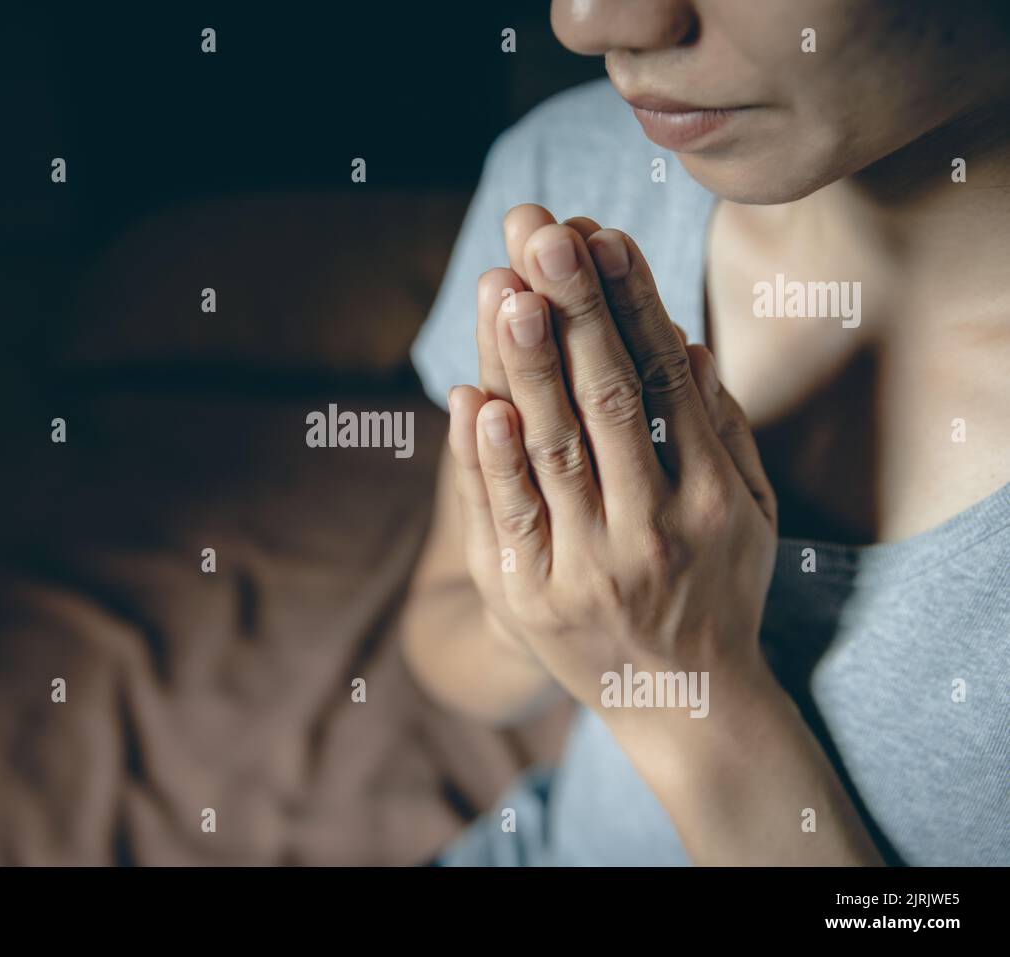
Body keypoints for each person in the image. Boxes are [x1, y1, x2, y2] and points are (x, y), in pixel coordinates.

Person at [401, 0, 1010, 865]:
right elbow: (442, 625)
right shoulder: (580, 167)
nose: (585, 20)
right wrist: (556, 605)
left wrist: (684, 690)